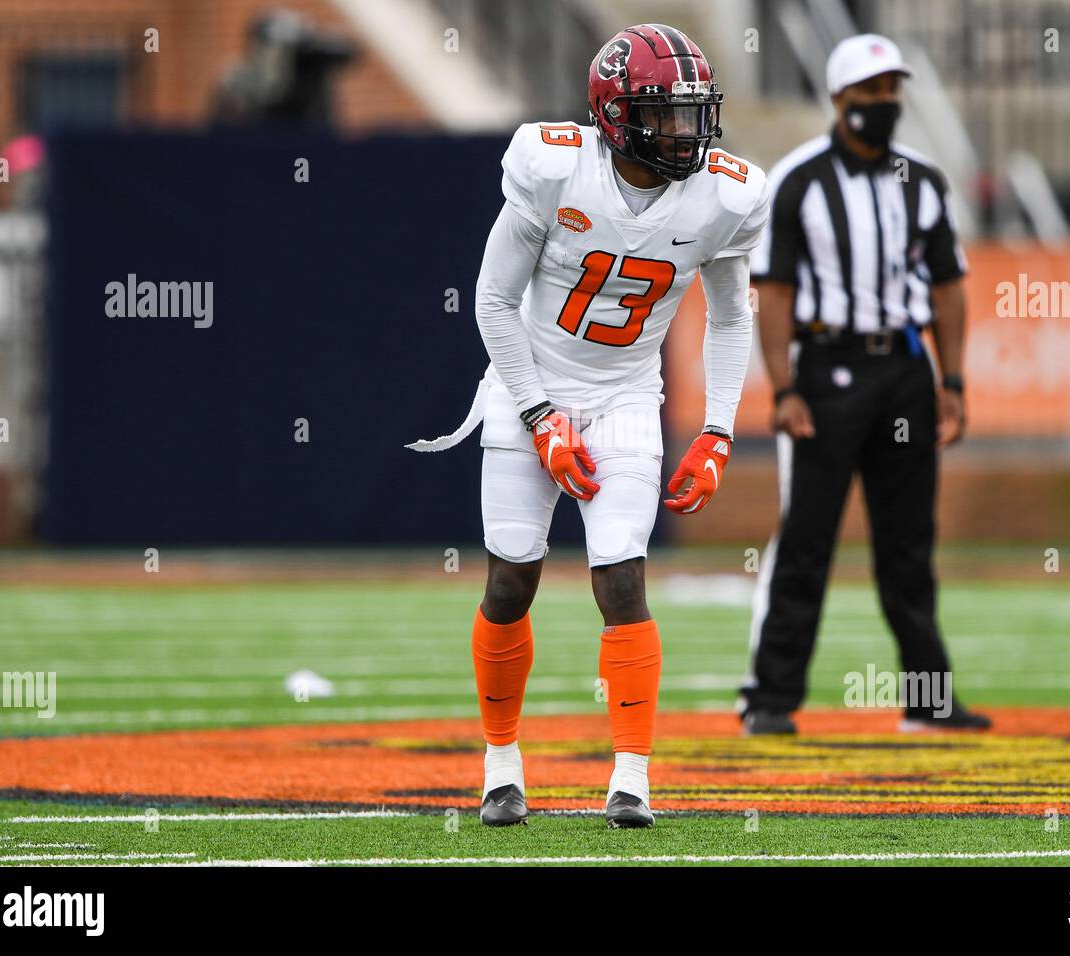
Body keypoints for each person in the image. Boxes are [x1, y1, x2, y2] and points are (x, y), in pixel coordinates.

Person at [408, 24, 770, 826]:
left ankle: (632, 779)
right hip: (524, 384)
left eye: (693, 113)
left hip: (626, 399)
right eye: (666, 114)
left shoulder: (725, 195)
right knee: (511, 578)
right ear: (616, 114)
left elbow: (730, 315)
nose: (687, 132)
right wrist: (539, 418)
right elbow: (493, 302)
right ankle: (501, 767)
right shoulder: (553, 169)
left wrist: (716, 434)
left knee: (622, 574)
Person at [739, 34, 990, 735]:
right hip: (827, 373)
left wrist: (953, 378)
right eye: (872, 91)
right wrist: (784, 389)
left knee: (910, 542)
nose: (886, 103)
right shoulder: (799, 178)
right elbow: (777, 291)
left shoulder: (923, 178)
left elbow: (948, 286)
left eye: (892, 90)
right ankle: (769, 696)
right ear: (840, 97)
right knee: (808, 538)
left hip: (905, 372)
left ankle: (928, 699)